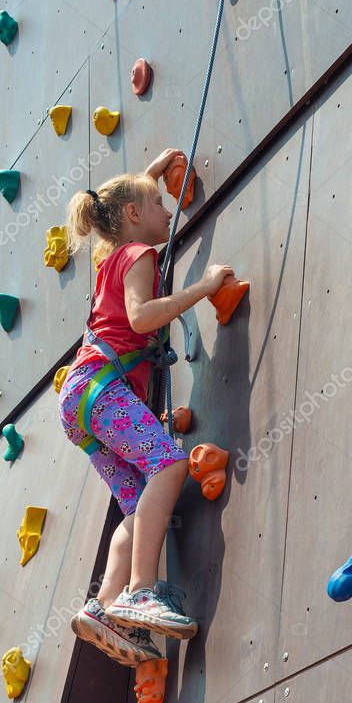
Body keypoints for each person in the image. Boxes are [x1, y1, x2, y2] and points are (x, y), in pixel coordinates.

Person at [58, 147, 233, 667]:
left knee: (137, 506)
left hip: (82, 402)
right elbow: (140, 318)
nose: (166, 209)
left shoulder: (111, 258)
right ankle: (140, 590)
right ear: (134, 216)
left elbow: (132, 209)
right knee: (171, 462)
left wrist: (151, 176)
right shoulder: (138, 256)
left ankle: (106, 607)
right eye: (158, 202)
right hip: (102, 388)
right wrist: (202, 288)